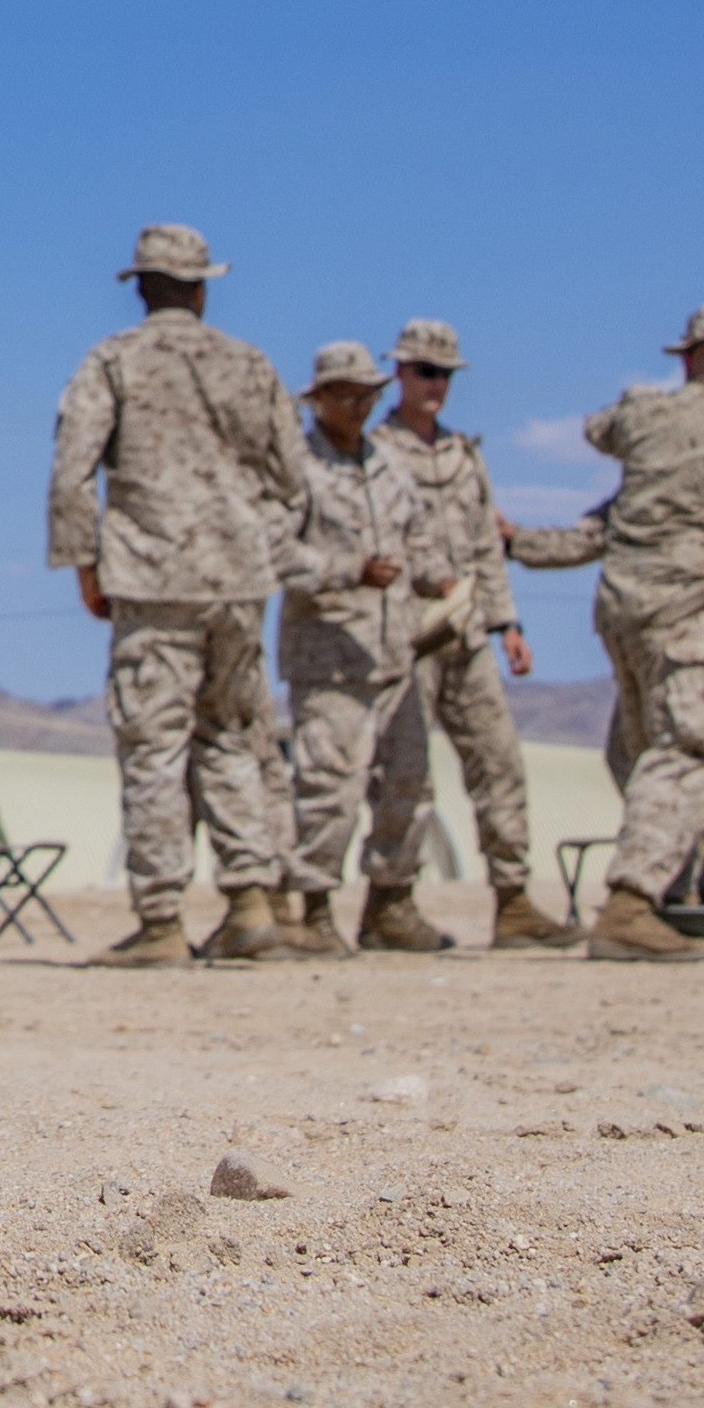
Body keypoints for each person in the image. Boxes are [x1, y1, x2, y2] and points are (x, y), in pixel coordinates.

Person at [496, 301, 704, 961]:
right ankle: (633, 903)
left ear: (688, 358)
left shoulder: (643, 416)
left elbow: (597, 444)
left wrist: (519, 543)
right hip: (692, 605)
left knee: (639, 753)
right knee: (692, 748)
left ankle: (673, 888)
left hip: (622, 610)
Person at [40, 226, 303, 967]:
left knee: (154, 744)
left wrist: (85, 564)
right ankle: (251, 904)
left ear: (139, 286)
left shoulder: (113, 359)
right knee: (229, 734)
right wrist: (254, 549)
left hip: (152, 581)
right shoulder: (250, 364)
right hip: (237, 584)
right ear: (200, 287)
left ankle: (160, 921)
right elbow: (292, 478)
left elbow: (71, 471)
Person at [356, 316, 559, 951]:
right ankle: (389, 901)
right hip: (404, 635)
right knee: (405, 773)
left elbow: (485, 544)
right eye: (424, 372)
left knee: (499, 762)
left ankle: (515, 898)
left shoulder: (464, 456)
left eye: (444, 374)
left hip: (467, 634)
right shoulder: (374, 451)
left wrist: (507, 623)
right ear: (398, 375)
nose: (435, 384)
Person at [267, 340, 418, 960]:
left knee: (406, 784)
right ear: (318, 398)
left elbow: (416, 537)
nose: (360, 406)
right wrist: (348, 569)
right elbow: (276, 553)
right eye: (347, 395)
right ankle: (312, 908)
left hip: (393, 650)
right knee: (328, 786)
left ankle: (390, 904)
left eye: (368, 395)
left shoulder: (389, 465)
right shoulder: (297, 468)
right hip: (327, 655)